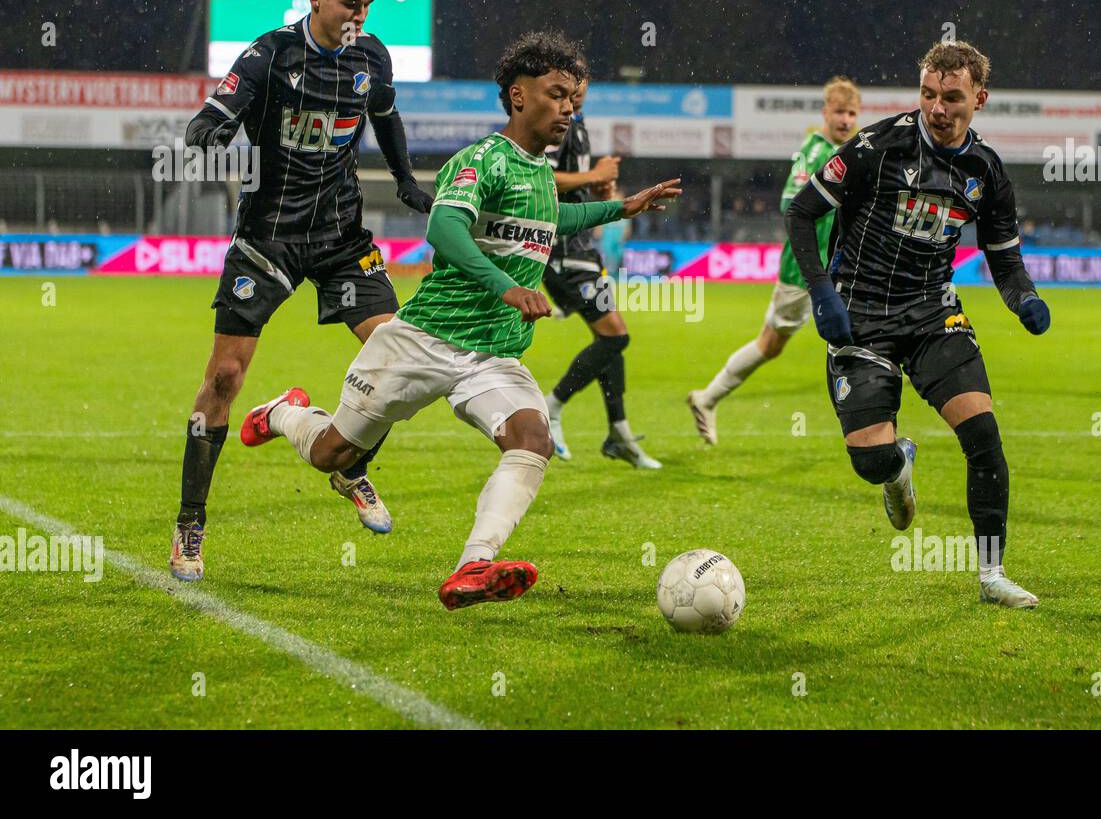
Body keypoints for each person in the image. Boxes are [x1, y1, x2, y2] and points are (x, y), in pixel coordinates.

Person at [239, 31, 682, 610]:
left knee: (532, 439)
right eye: (556, 94)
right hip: (422, 342)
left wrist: (619, 206)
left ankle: (474, 565)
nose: (569, 108)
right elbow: (443, 229)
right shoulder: (483, 159)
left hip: (492, 358)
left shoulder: (541, 175)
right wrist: (508, 287)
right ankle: (283, 412)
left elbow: (554, 217)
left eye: (574, 97)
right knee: (332, 455)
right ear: (518, 97)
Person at [170, 0, 433, 582]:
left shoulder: (371, 57)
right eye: (349, 4)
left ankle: (348, 467)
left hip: (342, 237)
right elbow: (212, 117)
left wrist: (403, 182)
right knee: (225, 377)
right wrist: (207, 135)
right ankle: (189, 526)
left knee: (400, 358)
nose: (359, 17)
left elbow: (387, 117)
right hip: (269, 238)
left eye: (368, 5)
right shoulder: (268, 56)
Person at [784, 41, 1051, 609]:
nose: (937, 108)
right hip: (860, 317)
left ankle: (992, 575)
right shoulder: (878, 146)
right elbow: (801, 211)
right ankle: (897, 465)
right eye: (928, 94)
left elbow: (1003, 258)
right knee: (870, 461)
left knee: (983, 437)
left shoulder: (987, 171)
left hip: (933, 312)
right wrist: (821, 290)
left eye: (951, 97)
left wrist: (1023, 296)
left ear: (978, 99)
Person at [688, 77, 861, 443]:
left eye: (851, 113)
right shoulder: (814, 153)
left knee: (864, 332)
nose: (845, 119)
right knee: (771, 344)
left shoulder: (848, 152)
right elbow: (791, 206)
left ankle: (870, 421)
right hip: (804, 269)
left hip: (839, 267)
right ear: (824, 113)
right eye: (839, 112)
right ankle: (707, 397)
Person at [541, 70, 660, 468]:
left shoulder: (579, 124)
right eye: (568, 92)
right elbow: (540, 179)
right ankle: (551, 407)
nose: (573, 100)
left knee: (614, 335)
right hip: (560, 247)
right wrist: (593, 176)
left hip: (584, 248)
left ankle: (619, 432)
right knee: (614, 337)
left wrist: (599, 189)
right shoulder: (551, 124)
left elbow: (575, 185)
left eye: (580, 92)